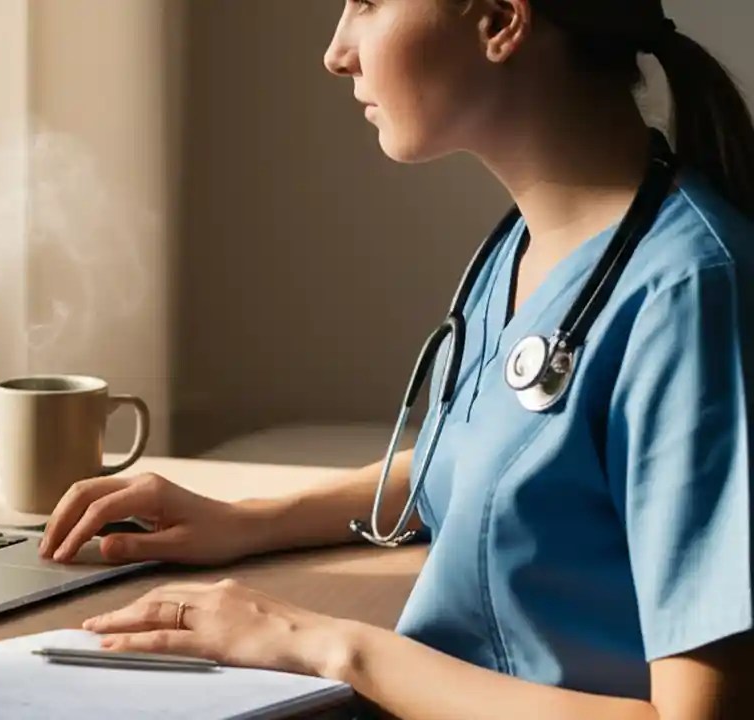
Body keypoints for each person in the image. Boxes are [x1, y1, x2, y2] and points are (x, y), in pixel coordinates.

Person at [38, 1, 754, 717]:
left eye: (368, 3)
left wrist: (325, 644)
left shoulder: (689, 295)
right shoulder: (525, 247)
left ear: (499, 20)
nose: (336, 52)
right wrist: (247, 521)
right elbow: (495, 459)